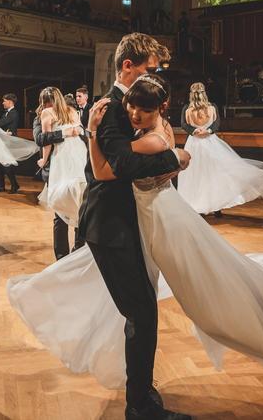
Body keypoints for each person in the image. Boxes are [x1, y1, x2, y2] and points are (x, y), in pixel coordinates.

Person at [9, 72, 263, 417]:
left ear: (162, 108)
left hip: (168, 227)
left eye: (144, 111)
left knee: (217, 313)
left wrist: (97, 132)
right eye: (131, 108)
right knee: (215, 303)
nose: (134, 116)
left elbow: (102, 169)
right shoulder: (154, 132)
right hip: (154, 226)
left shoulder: (155, 140)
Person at [77, 33, 190, 419]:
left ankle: (141, 391)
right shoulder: (109, 108)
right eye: (149, 68)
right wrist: (175, 157)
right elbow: (117, 168)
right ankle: (138, 405)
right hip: (111, 225)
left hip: (127, 222)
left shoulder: (131, 107)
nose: (153, 75)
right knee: (142, 314)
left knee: (143, 310)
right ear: (128, 66)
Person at [177, 82, 263, 216]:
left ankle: (198, 205)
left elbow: (183, 124)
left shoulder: (187, 109)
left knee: (196, 174)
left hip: (194, 144)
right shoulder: (212, 107)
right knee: (214, 174)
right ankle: (216, 207)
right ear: (204, 92)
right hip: (210, 142)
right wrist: (209, 131)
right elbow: (217, 123)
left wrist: (194, 131)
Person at [37, 88, 88, 258]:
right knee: (79, 204)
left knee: (61, 207)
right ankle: (78, 253)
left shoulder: (46, 112)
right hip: (80, 156)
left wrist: (43, 161)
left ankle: (62, 257)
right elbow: (82, 134)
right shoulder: (73, 111)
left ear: (44, 101)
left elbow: (46, 142)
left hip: (63, 159)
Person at [0, 93, 23, 193]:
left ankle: (14, 185)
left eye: (4, 101)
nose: (2, 103)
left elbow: (2, 122)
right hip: (3, 141)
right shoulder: (5, 113)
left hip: (10, 142)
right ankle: (1, 185)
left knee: (7, 165)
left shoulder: (14, 113)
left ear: (10, 102)